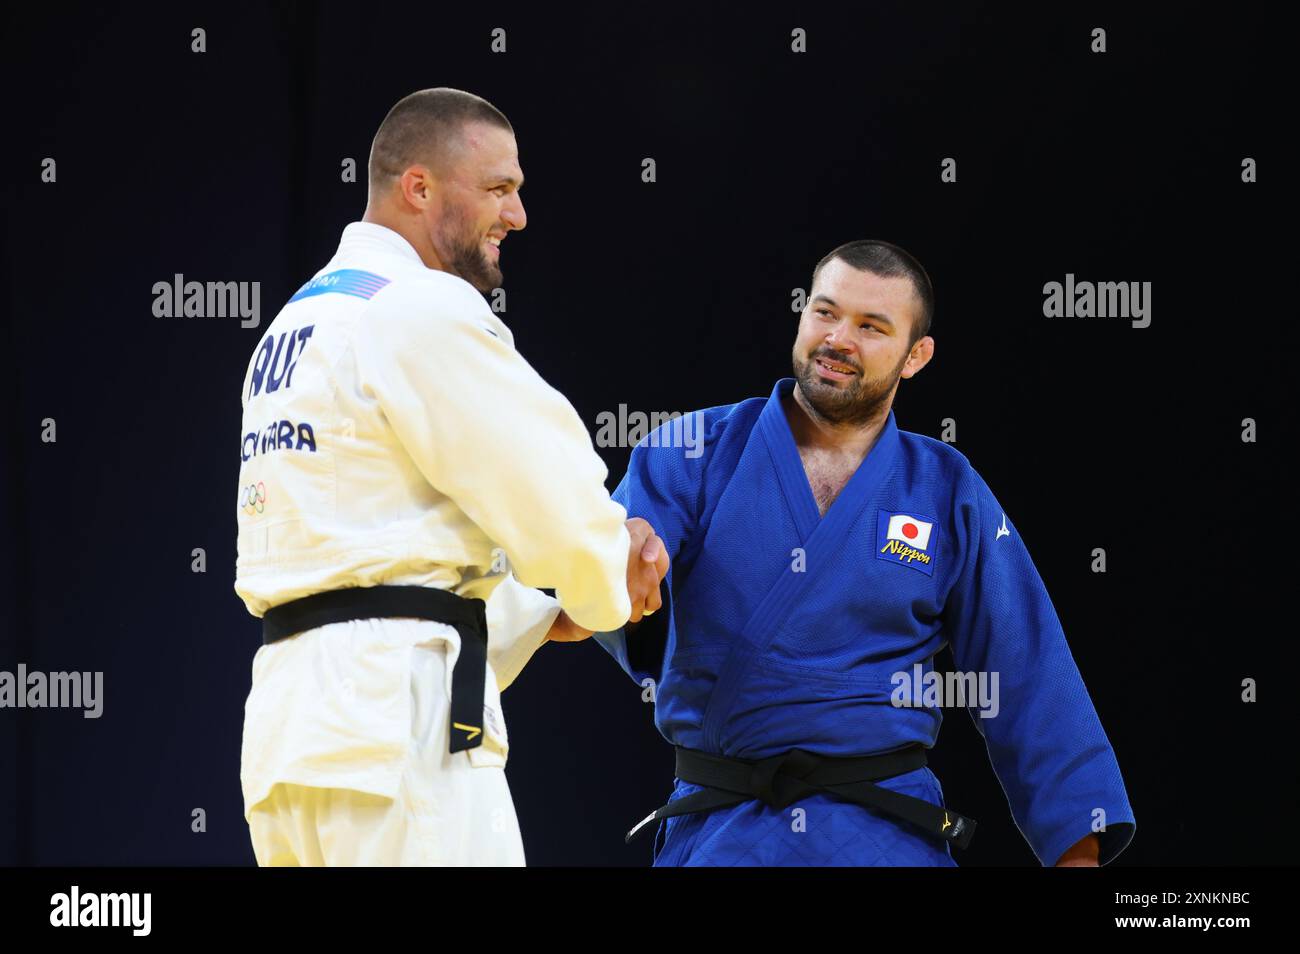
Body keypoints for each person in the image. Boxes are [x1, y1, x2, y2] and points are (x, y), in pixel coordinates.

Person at [588, 240, 1136, 866]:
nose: (838, 339)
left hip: (887, 838)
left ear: (915, 356)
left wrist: (1079, 855)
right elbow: (611, 572)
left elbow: (1028, 671)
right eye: (825, 313)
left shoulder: (946, 487)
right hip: (723, 834)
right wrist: (616, 574)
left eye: (871, 327)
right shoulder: (692, 451)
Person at [234, 87, 667, 866]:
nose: (519, 214)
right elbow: (549, 489)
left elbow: (361, 545)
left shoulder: (297, 324)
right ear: (420, 187)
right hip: (396, 734)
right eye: (499, 188)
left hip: (292, 740)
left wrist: (534, 614)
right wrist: (610, 568)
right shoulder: (419, 306)